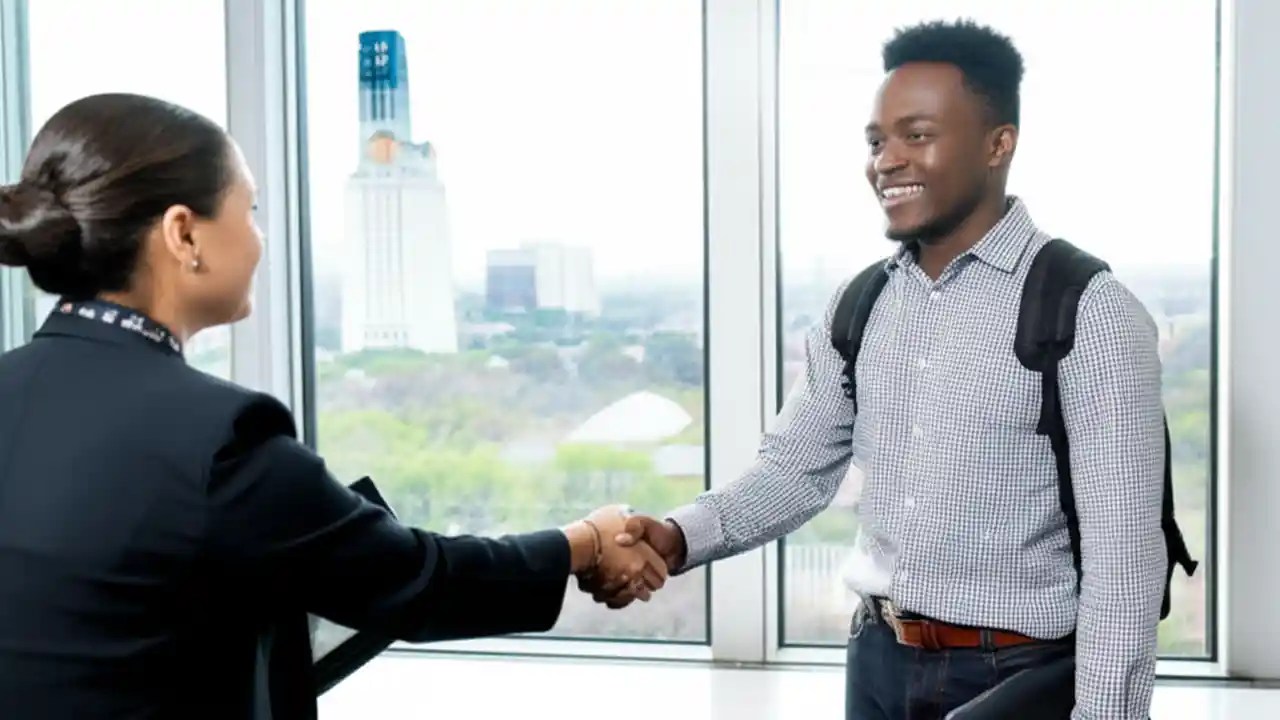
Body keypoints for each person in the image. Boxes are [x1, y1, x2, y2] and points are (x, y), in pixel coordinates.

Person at [0, 92, 667, 720]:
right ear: (184, 234)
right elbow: (420, 582)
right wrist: (588, 541)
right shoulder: (218, 437)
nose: (259, 240)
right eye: (250, 212)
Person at [601, 19, 1166, 720]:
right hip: (875, 661)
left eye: (917, 135)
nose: (886, 161)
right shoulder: (860, 304)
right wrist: (679, 535)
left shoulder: (1090, 309)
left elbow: (1126, 559)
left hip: (1015, 677)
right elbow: (793, 470)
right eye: (877, 141)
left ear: (999, 144)